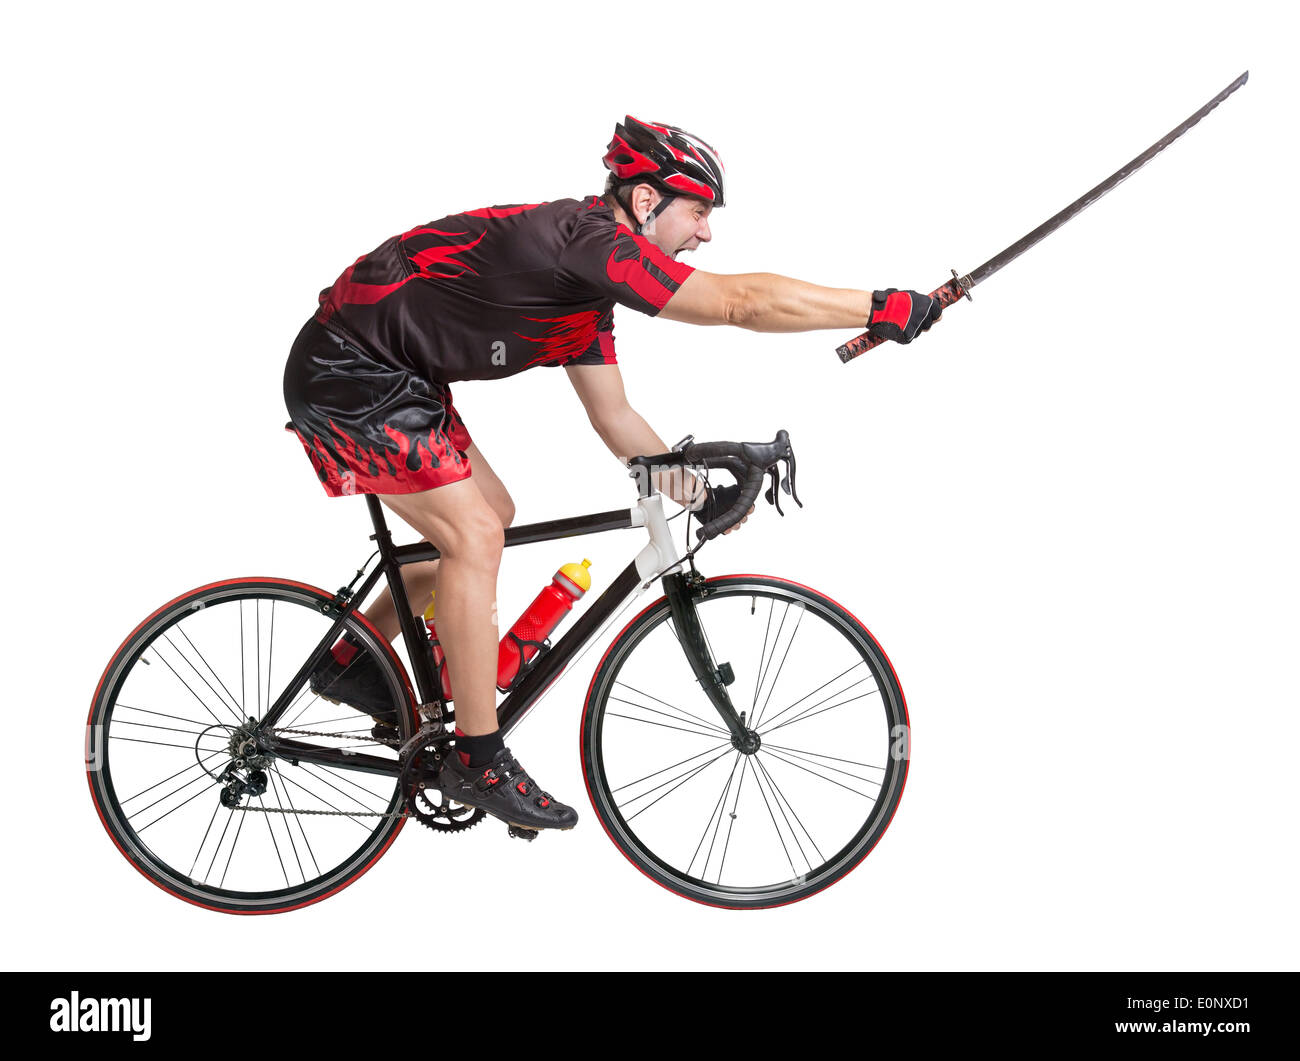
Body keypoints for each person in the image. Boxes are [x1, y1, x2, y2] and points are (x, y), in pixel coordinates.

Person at [283, 116, 941, 834]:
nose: (706, 233)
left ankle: (353, 660)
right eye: (699, 212)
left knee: (488, 518)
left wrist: (697, 491)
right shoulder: (590, 244)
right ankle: (476, 757)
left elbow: (615, 416)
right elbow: (736, 302)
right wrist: (879, 306)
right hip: (347, 371)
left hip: (395, 378)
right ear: (647, 200)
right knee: (474, 538)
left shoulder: (587, 293)